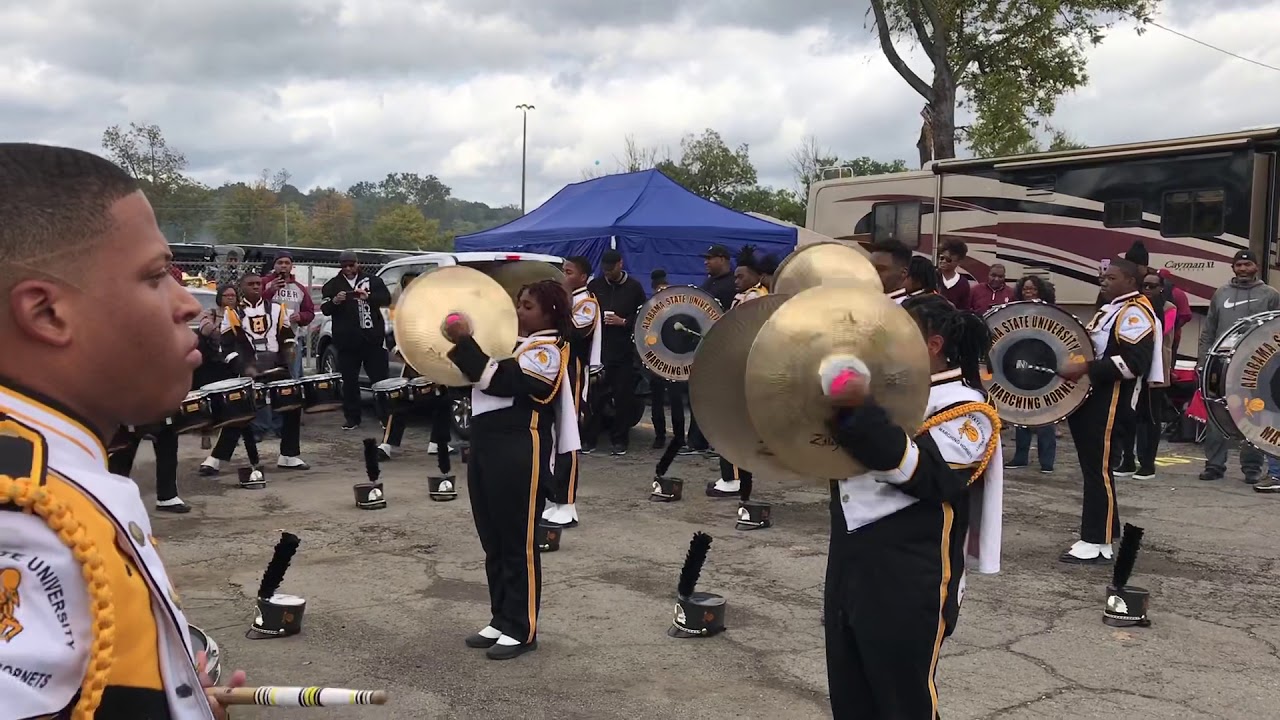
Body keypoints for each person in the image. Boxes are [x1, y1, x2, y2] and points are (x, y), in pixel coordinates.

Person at [0, 143, 245, 718]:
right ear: (47, 314)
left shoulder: (52, 468)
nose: (188, 304)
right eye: (157, 276)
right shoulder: (25, 521)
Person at [823, 292, 1003, 719]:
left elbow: (923, 475)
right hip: (851, 555)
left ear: (932, 345)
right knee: (851, 693)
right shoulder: (885, 391)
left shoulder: (968, 409)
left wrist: (854, 405)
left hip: (910, 570)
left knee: (902, 701)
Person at [444, 280, 576, 660]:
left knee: (519, 541)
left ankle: (522, 627)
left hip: (521, 448)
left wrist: (465, 342)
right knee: (494, 538)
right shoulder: (516, 344)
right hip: (487, 444)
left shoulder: (549, 350)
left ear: (551, 313)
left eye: (528, 307)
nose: (519, 311)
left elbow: (503, 382)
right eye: (519, 304)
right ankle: (501, 617)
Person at [1059, 260, 1161, 564]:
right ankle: (1103, 536)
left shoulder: (1134, 313)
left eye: (1111, 277)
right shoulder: (1112, 309)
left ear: (1130, 281)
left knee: (1099, 471)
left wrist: (1084, 369)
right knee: (1095, 470)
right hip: (1095, 400)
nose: (1103, 281)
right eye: (1103, 276)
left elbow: (1133, 364)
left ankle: (1095, 541)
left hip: (1112, 402)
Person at [198, 272, 310, 476]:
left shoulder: (277, 309)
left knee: (293, 406)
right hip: (247, 370)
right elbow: (226, 347)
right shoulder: (233, 314)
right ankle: (216, 458)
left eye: (258, 283)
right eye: (251, 284)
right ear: (242, 288)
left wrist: (287, 357)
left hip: (276, 367)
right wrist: (243, 367)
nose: (256, 287)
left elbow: (287, 339)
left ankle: (289, 455)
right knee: (238, 413)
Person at [1198, 250, 1280, 484]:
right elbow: (1209, 330)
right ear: (1233, 268)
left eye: (1248, 264)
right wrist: (1202, 362)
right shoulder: (1221, 293)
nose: (1243, 269)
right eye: (1239, 265)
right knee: (1216, 413)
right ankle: (1214, 465)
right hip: (1220, 365)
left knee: (1253, 416)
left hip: (1255, 368)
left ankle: (1252, 468)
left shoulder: (1270, 294)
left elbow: (1276, 329)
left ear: (1256, 267)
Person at [543, 257, 602, 528]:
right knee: (553, 436)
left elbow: (575, 332)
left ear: (583, 277)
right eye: (562, 271)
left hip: (573, 373)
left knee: (567, 436)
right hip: (558, 370)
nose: (563, 276)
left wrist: (555, 308)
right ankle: (555, 499)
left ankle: (567, 504)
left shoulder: (586, 302)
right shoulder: (567, 302)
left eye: (568, 272)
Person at [708, 246, 769, 499]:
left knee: (733, 425)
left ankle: (733, 478)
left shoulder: (755, 298)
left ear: (757, 276)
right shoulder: (745, 296)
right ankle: (731, 475)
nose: (736, 280)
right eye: (735, 276)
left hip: (743, 368)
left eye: (741, 276)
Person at [378, 271, 454, 461]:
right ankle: (387, 445)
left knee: (444, 400)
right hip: (411, 363)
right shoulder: (397, 310)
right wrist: (402, 354)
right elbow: (390, 334)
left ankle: (438, 442)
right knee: (400, 403)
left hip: (434, 361)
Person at [583, 249, 646, 456]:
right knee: (594, 398)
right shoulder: (595, 286)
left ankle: (619, 440)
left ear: (620, 264)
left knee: (622, 398)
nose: (608, 273)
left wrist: (624, 322)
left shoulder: (634, 287)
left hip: (624, 353)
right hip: (599, 353)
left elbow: (644, 316)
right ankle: (589, 439)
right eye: (605, 270)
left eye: (611, 269)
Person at [321, 250, 392, 430]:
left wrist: (369, 297)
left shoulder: (373, 281)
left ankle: (385, 417)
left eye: (351, 265)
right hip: (346, 341)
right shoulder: (333, 284)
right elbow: (325, 309)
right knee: (350, 382)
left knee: (380, 380)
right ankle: (352, 418)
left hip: (372, 339)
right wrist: (335, 301)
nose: (348, 269)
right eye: (344, 266)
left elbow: (386, 299)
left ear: (357, 263)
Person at [1006, 277, 1059, 473]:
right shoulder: (1016, 310)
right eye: (1025, 289)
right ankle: (1020, 457)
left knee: (1045, 414)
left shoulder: (1050, 311)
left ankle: (1047, 461)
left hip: (1044, 365)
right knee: (1022, 413)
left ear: (1040, 291)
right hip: (1021, 363)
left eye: (1033, 289)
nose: (1028, 292)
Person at [1132, 272, 1178, 481]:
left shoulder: (1169, 308)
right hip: (1137, 365)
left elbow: (1158, 331)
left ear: (1161, 288)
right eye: (1145, 286)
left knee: (1151, 415)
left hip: (1157, 367)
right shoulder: (1136, 307)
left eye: (1152, 286)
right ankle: (1130, 459)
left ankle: (1148, 463)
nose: (1148, 290)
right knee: (1134, 415)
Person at [646, 269, 687, 451]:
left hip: (672, 360)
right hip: (658, 360)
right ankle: (661, 436)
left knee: (673, 400)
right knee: (659, 400)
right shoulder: (651, 310)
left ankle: (675, 437)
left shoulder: (678, 311)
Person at [263, 250, 316, 379]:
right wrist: (270, 291)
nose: (283, 266)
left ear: (292, 266)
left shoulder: (299, 288)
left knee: (293, 375)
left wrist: (301, 317)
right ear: (274, 265)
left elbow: (310, 312)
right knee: (269, 374)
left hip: (292, 338)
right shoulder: (264, 282)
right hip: (268, 338)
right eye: (280, 262)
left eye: (287, 263)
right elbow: (254, 304)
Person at [868, 239, 913, 303]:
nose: (872, 273)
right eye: (870, 268)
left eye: (880, 269)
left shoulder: (910, 307)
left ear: (903, 273)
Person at [937, 240, 972, 310]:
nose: (943, 261)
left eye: (948, 260)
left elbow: (964, 309)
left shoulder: (963, 283)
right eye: (941, 258)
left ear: (959, 262)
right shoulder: (933, 276)